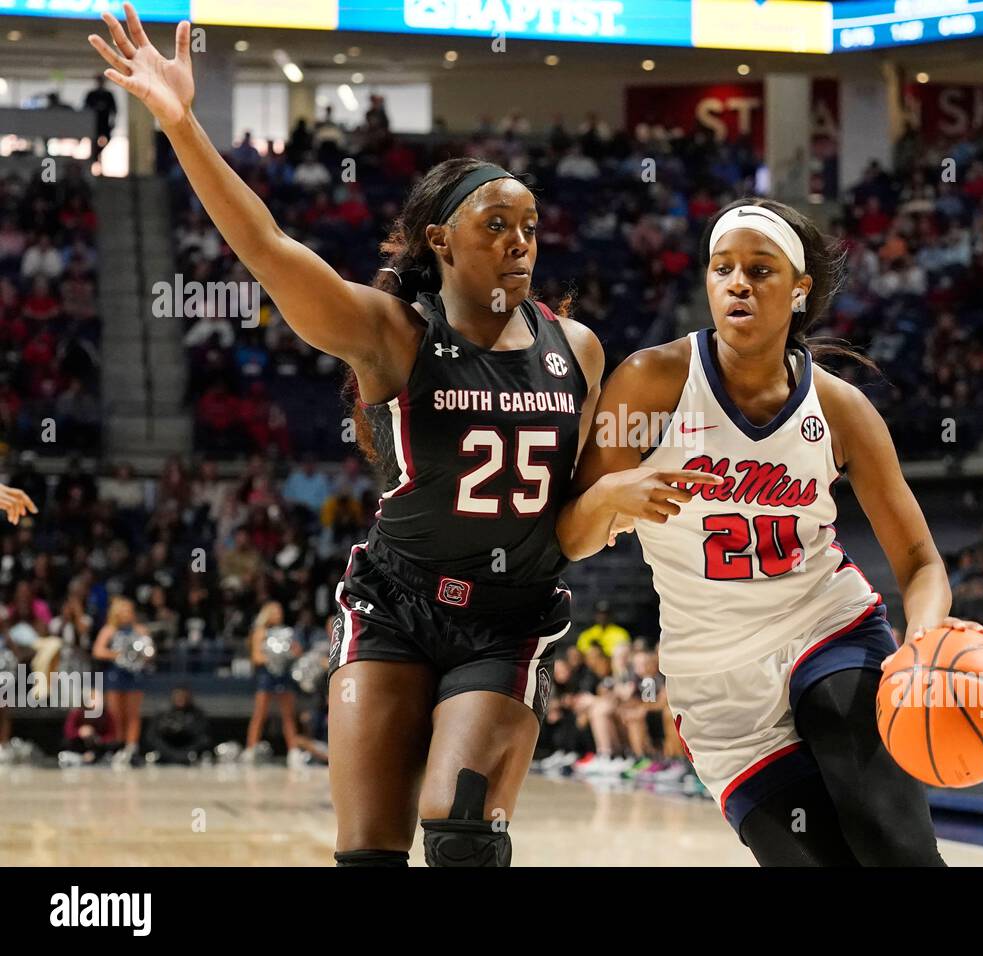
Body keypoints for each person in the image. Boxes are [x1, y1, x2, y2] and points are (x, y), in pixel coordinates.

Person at [90, 4, 603, 867]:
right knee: (368, 852)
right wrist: (182, 125)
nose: (520, 243)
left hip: (510, 619)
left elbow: (578, 503)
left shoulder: (577, 348)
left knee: (464, 835)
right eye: (496, 226)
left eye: (530, 227)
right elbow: (266, 246)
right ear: (441, 241)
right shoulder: (391, 333)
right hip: (395, 603)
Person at [558, 198, 983, 866]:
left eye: (760, 270)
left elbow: (921, 560)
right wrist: (613, 493)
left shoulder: (839, 407)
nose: (737, 283)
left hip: (825, 628)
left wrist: (925, 641)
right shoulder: (651, 382)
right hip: (715, 680)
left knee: (894, 844)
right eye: (722, 268)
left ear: (799, 287)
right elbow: (573, 537)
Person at [90, 596, 150, 767]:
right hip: (116, 674)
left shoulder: (140, 630)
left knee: (133, 713)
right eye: (123, 611)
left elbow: (149, 651)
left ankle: (131, 748)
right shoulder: (109, 630)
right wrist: (118, 654)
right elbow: (97, 651)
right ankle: (118, 745)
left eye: (129, 611)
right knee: (116, 714)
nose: (126, 615)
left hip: (134, 675)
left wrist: (141, 656)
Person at [243, 601, 302, 762]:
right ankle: (250, 749)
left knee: (288, 715)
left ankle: (293, 751)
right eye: (275, 612)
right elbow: (256, 657)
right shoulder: (260, 632)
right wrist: (275, 658)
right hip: (267, 675)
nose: (278, 614)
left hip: (284, 674)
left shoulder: (288, 632)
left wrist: (291, 654)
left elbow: (297, 652)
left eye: (280, 611)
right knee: (260, 714)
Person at [145, 686, 213, 765]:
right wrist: (171, 754)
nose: (180, 699)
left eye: (183, 696)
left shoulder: (197, 714)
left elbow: (205, 738)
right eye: (178, 696)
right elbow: (151, 737)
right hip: (164, 755)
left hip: (189, 754)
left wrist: (185, 753)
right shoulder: (162, 713)